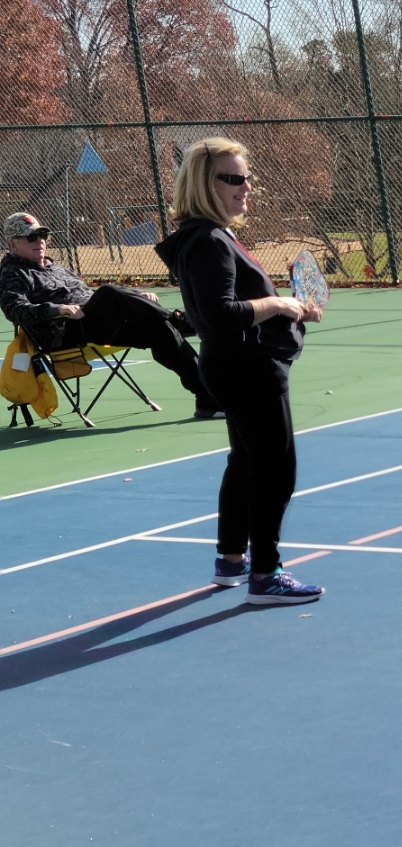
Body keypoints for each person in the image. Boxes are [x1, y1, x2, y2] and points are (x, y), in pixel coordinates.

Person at [154, 137, 324, 607]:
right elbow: (219, 316)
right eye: (233, 178)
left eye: (247, 177)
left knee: (246, 463)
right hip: (249, 370)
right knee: (275, 468)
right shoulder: (208, 240)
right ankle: (266, 573)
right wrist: (277, 303)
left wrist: (289, 311)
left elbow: (220, 312)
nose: (245, 187)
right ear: (205, 184)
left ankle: (232, 560)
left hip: (236, 366)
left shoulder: (207, 235)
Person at [0, 211, 215, 419]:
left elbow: (87, 296)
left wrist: (137, 297)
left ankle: (208, 400)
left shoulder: (55, 267)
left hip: (96, 323)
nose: (40, 241)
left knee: (159, 330)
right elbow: (15, 310)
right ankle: (180, 320)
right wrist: (58, 309)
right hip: (64, 332)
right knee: (109, 292)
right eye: (31, 237)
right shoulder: (12, 273)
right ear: (13, 244)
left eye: (43, 235)